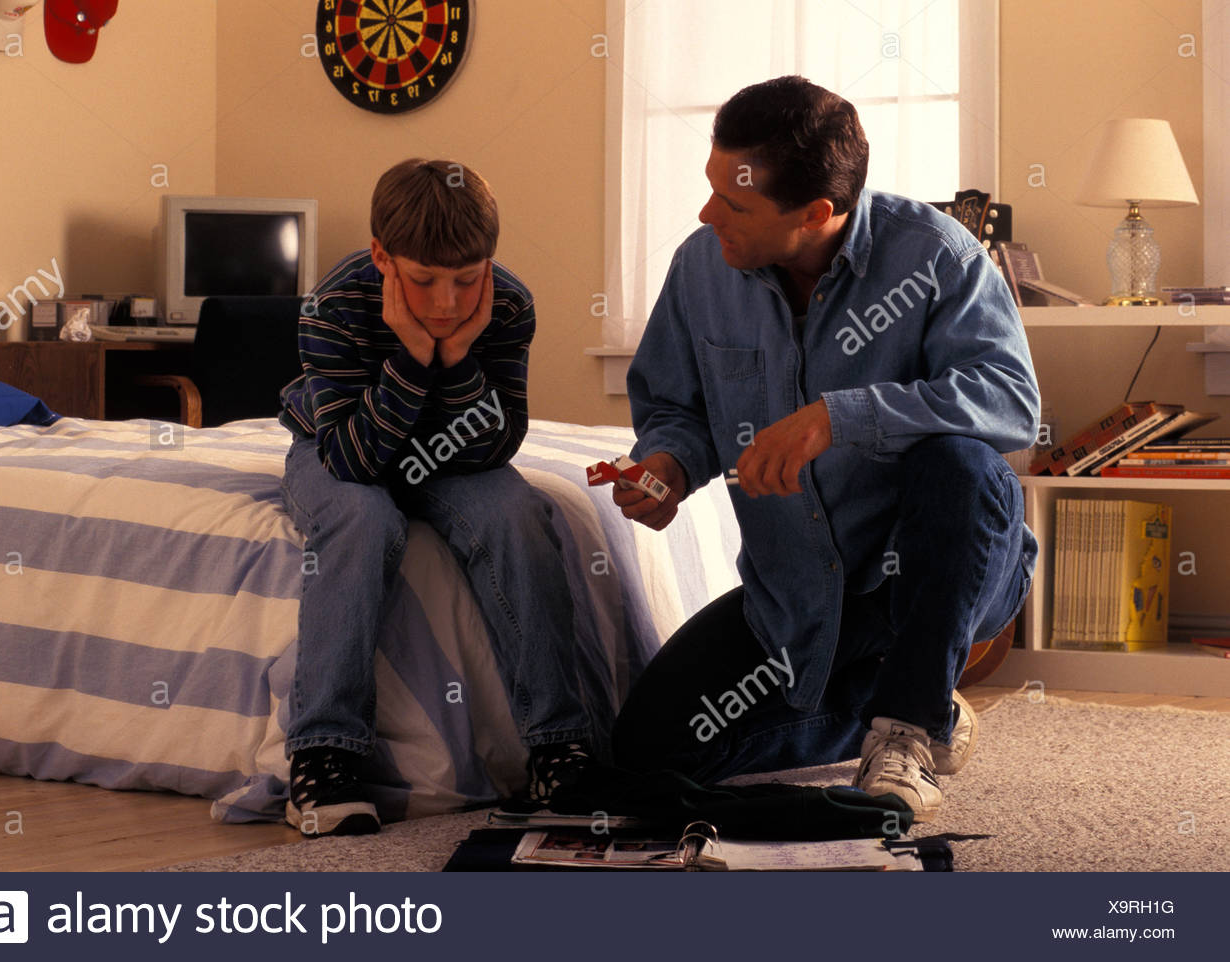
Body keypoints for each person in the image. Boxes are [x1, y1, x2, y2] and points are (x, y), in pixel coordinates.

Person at [608, 76, 1040, 821]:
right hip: (795, 597)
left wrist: (838, 418)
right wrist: (668, 466)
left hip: (932, 574)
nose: (708, 214)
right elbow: (679, 409)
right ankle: (917, 702)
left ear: (816, 214)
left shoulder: (938, 257)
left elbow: (1011, 402)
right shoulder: (701, 267)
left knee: (959, 463)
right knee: (642, 759)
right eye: (711, 188)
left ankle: (907, 729)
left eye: (734, 204)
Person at [278, 158, 594, 836]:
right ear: (382, 258)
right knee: (362, 521)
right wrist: (413, 358)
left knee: (518, 513)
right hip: (342, 446)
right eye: (423, 281)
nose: (449, 303)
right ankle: (323, 754)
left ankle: (559, 746)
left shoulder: (507, 304)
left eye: (467, 279)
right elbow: (355, 460)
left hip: (451, 451)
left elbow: (497, 444)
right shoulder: (332, 306)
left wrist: (455, 361)